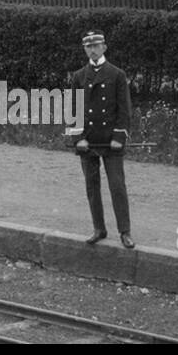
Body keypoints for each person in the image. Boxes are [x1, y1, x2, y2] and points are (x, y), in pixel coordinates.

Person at [70, 30, 134, 248]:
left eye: (96, 45)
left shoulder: (117, 74)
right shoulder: (79, 76)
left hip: (111, 142)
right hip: (88, 142)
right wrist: (78, 138)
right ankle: (99, 228)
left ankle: (125, 231)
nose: (93, 50)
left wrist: (119, 136)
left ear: (104, 47)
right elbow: (74, 111)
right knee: (92, 186)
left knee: (117, 186)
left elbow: (124, 110)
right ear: (85, 49)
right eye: (88, 46)